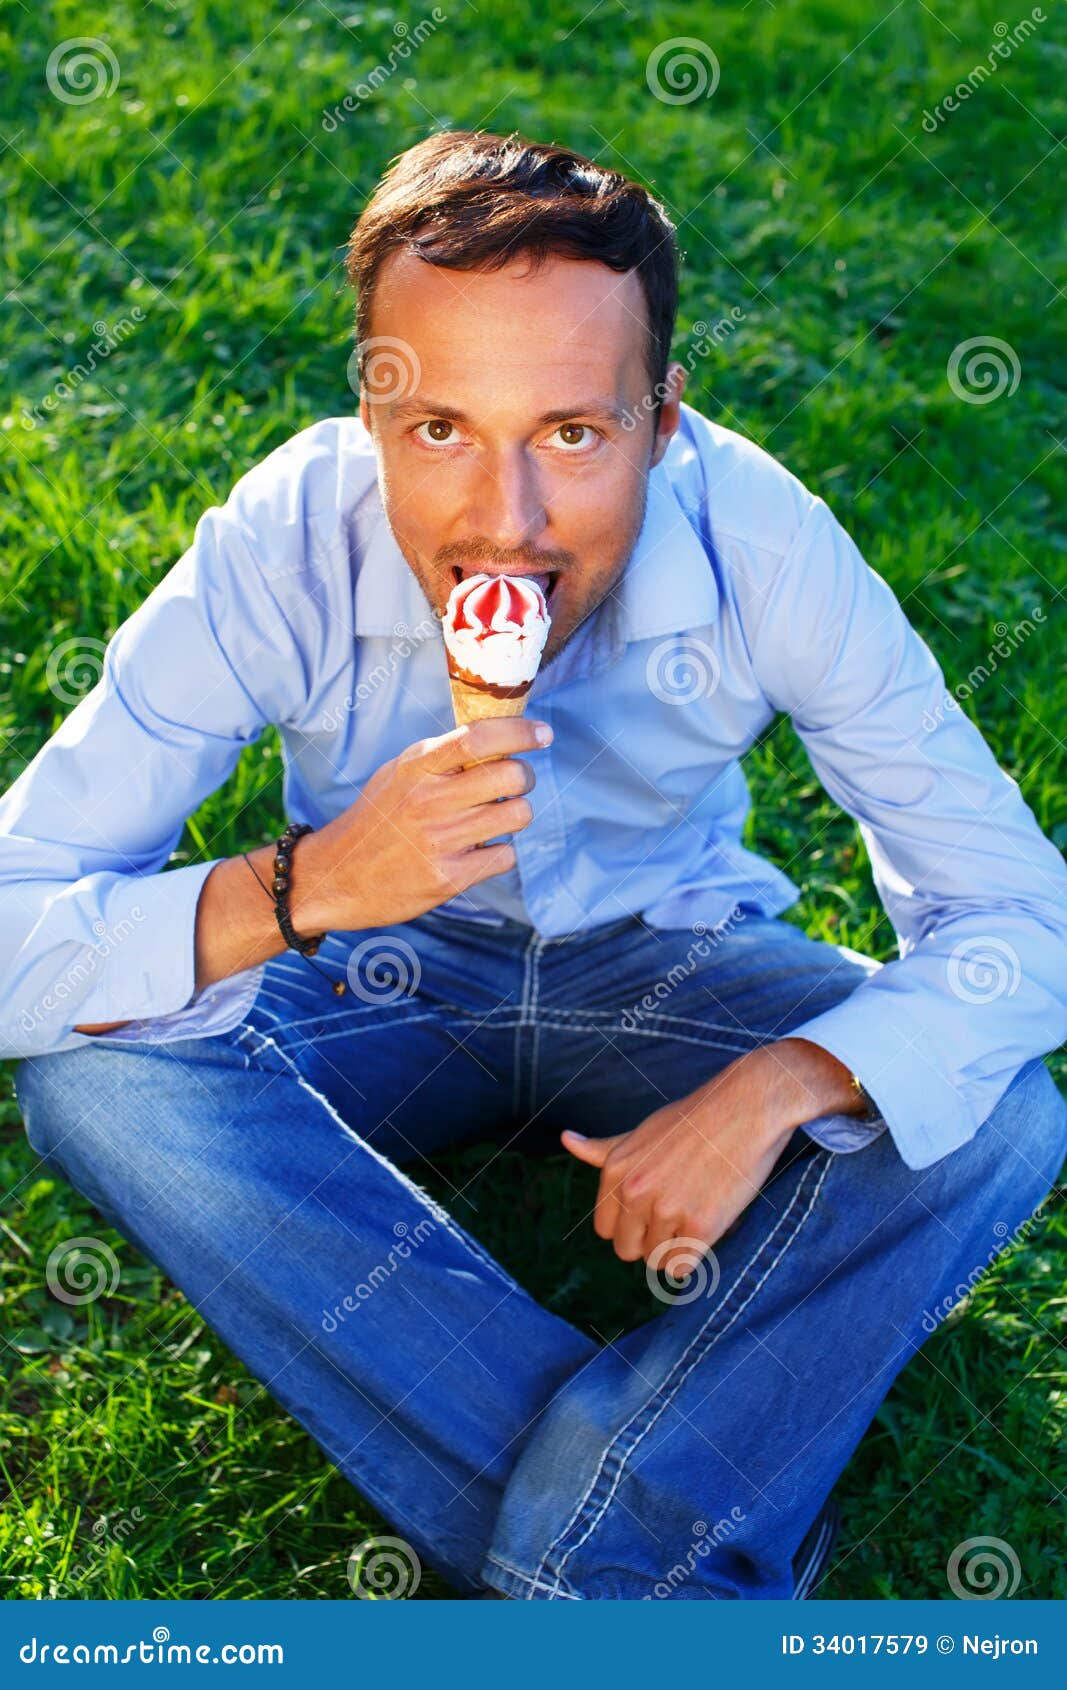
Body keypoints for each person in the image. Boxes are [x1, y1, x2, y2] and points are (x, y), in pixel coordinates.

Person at [3, 130, 1066, 1602]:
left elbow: (1026, 922)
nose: (503, 518)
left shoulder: (767, 547)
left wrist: (780, 1084)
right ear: (371, 415)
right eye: (442, 429)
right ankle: (646, 1535)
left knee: (1000, 1109)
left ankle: (587, 1537)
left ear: (664, 419)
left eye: (572, 433)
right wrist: (306, 887)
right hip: (372, 963)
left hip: (665, 957)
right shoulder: (280, 545)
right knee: (93, 1066)